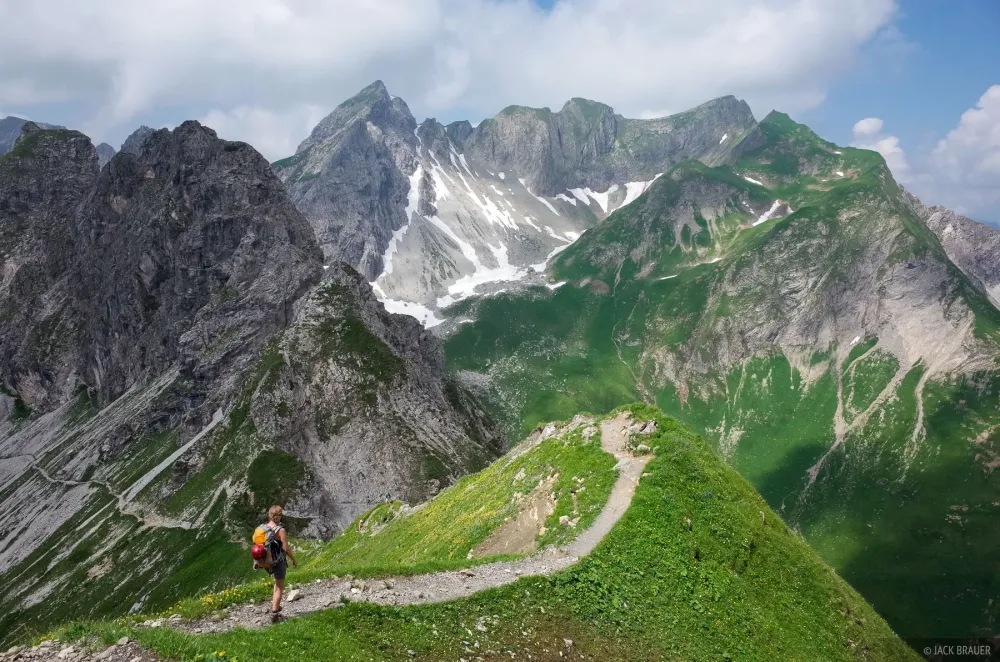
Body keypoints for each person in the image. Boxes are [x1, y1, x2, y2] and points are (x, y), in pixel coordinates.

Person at [262, 505, 297, 617]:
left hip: (266, 561)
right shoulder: (280, 530)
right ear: (280, 516)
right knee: (279, 586)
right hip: (278, 561)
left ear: (269, 515)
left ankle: (275, 606)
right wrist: (293, 559)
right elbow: (285, 548)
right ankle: (275, 612)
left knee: (276, 585)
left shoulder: (263, 528)